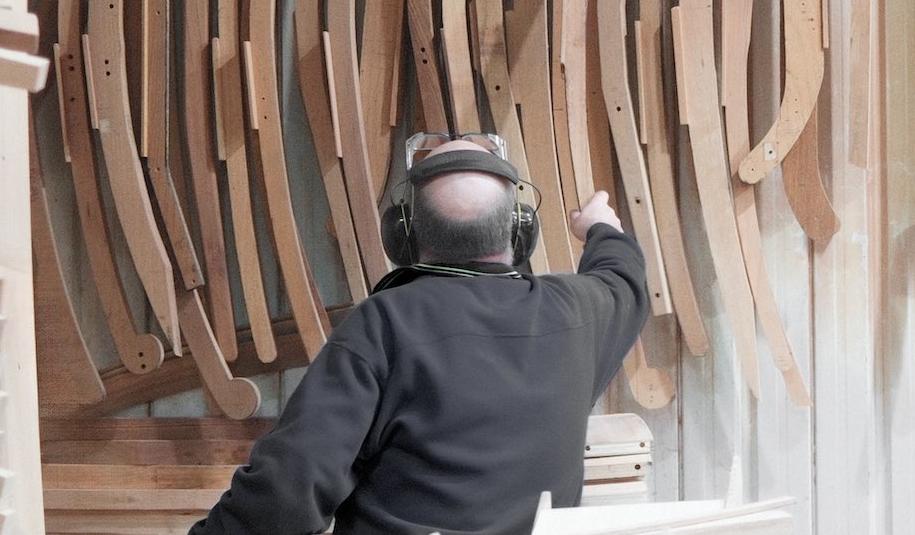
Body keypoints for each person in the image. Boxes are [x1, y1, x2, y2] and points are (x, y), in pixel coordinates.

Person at [190, 137, 651, 534]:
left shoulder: (382, 325)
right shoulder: (577, 313)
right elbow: (624, 277)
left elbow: (287, 492)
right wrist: (600, 226)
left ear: (404, 234)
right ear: (519, 229)